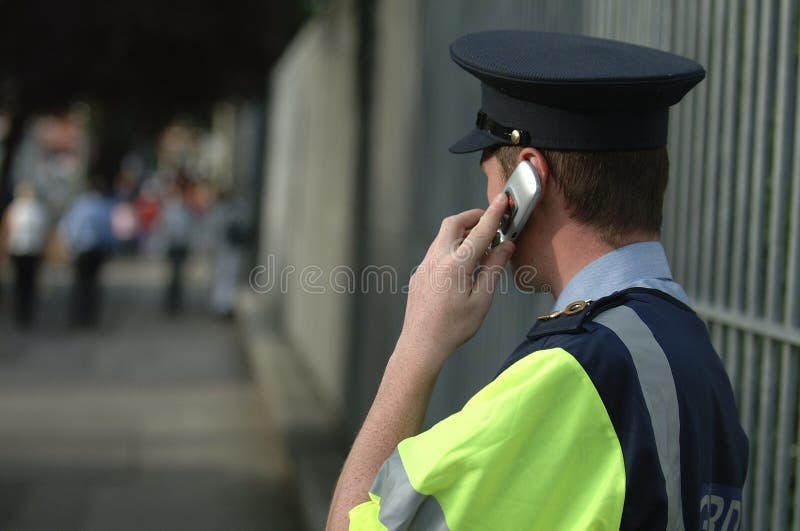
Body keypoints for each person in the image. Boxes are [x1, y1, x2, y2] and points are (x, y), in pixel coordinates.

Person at [328, 31, 748, 530]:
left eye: (490, 184)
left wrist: (416, 347)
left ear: (526, 182)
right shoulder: (692, 352)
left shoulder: (569, 376)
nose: (488, 205)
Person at [59, 179, 115, 327]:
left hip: (81, 249)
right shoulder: (104, 206)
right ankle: (90, 317)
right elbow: (109, 230)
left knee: (79, 284)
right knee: (93, 284)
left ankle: (78, 316)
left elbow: (66, 226)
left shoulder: (79, 205)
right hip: (98, 250)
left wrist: (69, 246)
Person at [1, 182, 49, 328]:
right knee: (29, 282)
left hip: (18, 250)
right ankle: (25, 312)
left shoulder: (14, 209)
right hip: (33, 250)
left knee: (19, 281)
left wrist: (4, 251)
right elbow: (44, 233)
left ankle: (20, 312)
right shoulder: (39, 210)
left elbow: (6, 231)